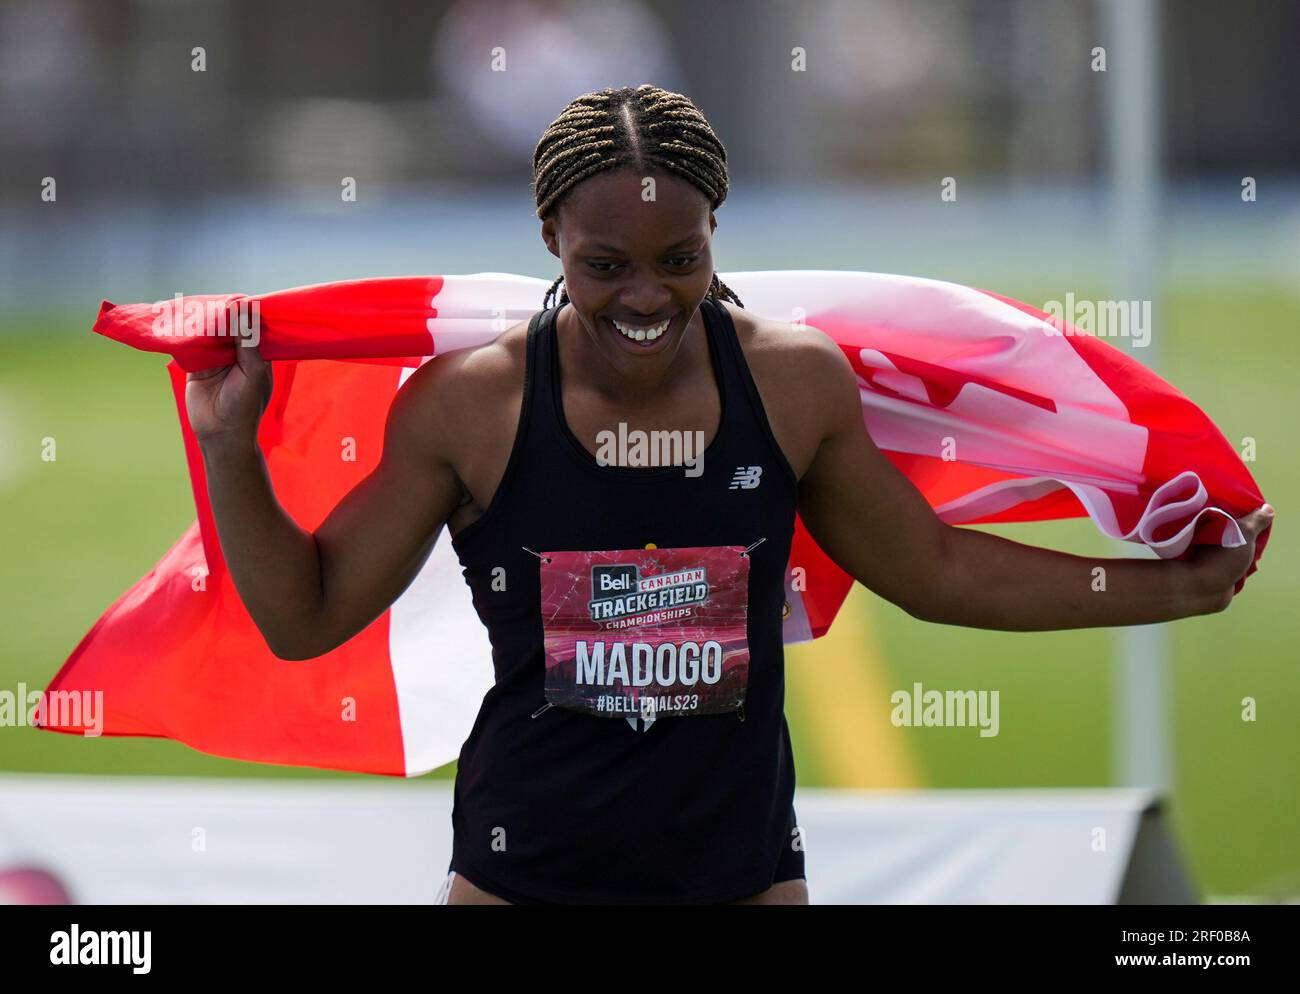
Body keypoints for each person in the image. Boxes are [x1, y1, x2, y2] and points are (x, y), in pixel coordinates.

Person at [184, 84, 1272, 905]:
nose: (646, 296)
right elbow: (306, 615)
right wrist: (231, 453)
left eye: (679, 258)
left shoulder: (793, 384)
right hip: (525, 870)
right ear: (550, 237)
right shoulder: (470, 406)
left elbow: (933, 570)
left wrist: (1169, 589)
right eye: (606, 264)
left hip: (740, 873)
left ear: (715, 233)